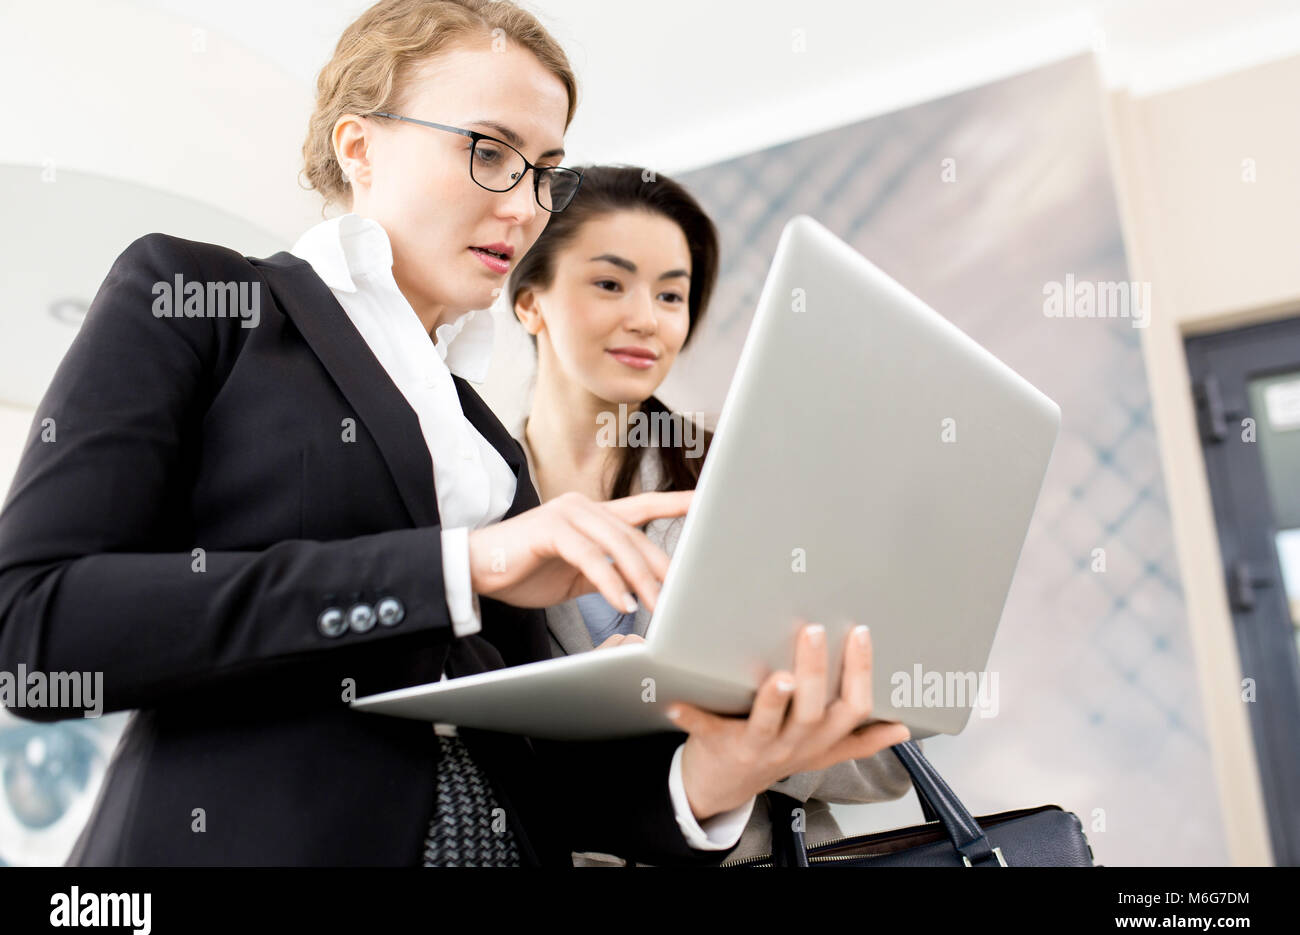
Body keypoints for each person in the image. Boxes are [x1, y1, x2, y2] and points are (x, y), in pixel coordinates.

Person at [0, 0, 909, 866]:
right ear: (359, 145)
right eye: (489, 151)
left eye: (544, 171)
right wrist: (458, 568)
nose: (526, 207)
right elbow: (34, 626)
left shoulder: (483, 441)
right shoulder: (205, 301)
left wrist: (718, 770)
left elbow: (532, 766)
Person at [508, 165, 918, 866]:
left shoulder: (758, 486)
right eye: (610, 283)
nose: (648, 319)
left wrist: (722, 732)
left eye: (672, 294)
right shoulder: (475, 512)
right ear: (530, 302)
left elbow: (890, 756)